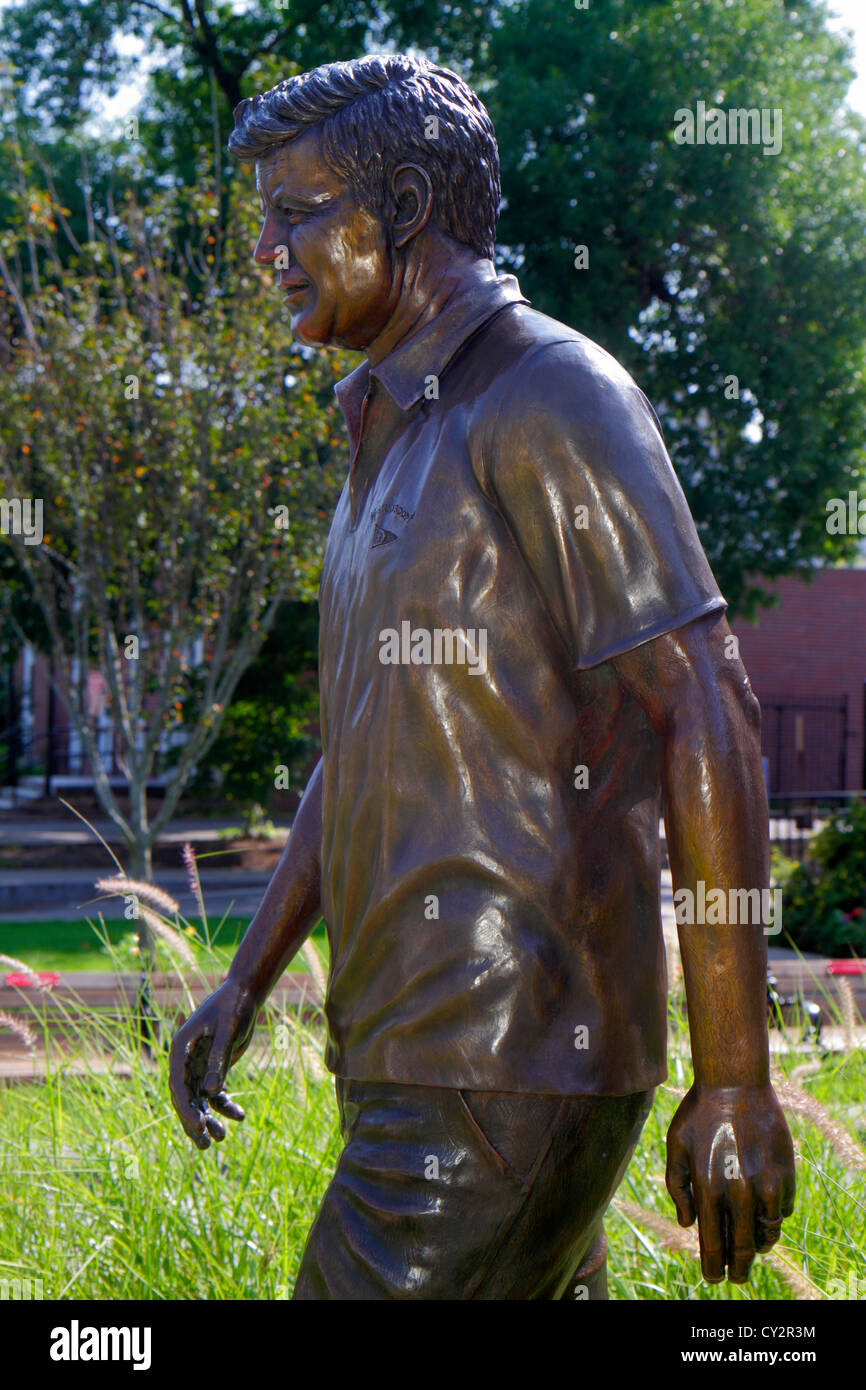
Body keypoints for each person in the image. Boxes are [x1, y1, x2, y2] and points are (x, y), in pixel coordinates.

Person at [169, 53, 795, 1300]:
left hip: (498, 1069)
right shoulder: (386, 442)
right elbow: (356, 753)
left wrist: (733, 1075)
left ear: (401, 204)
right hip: (431, 1060)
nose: (269, 251)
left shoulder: (545, 392)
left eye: (296, 214)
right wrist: (243, 978)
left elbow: (703, 701)